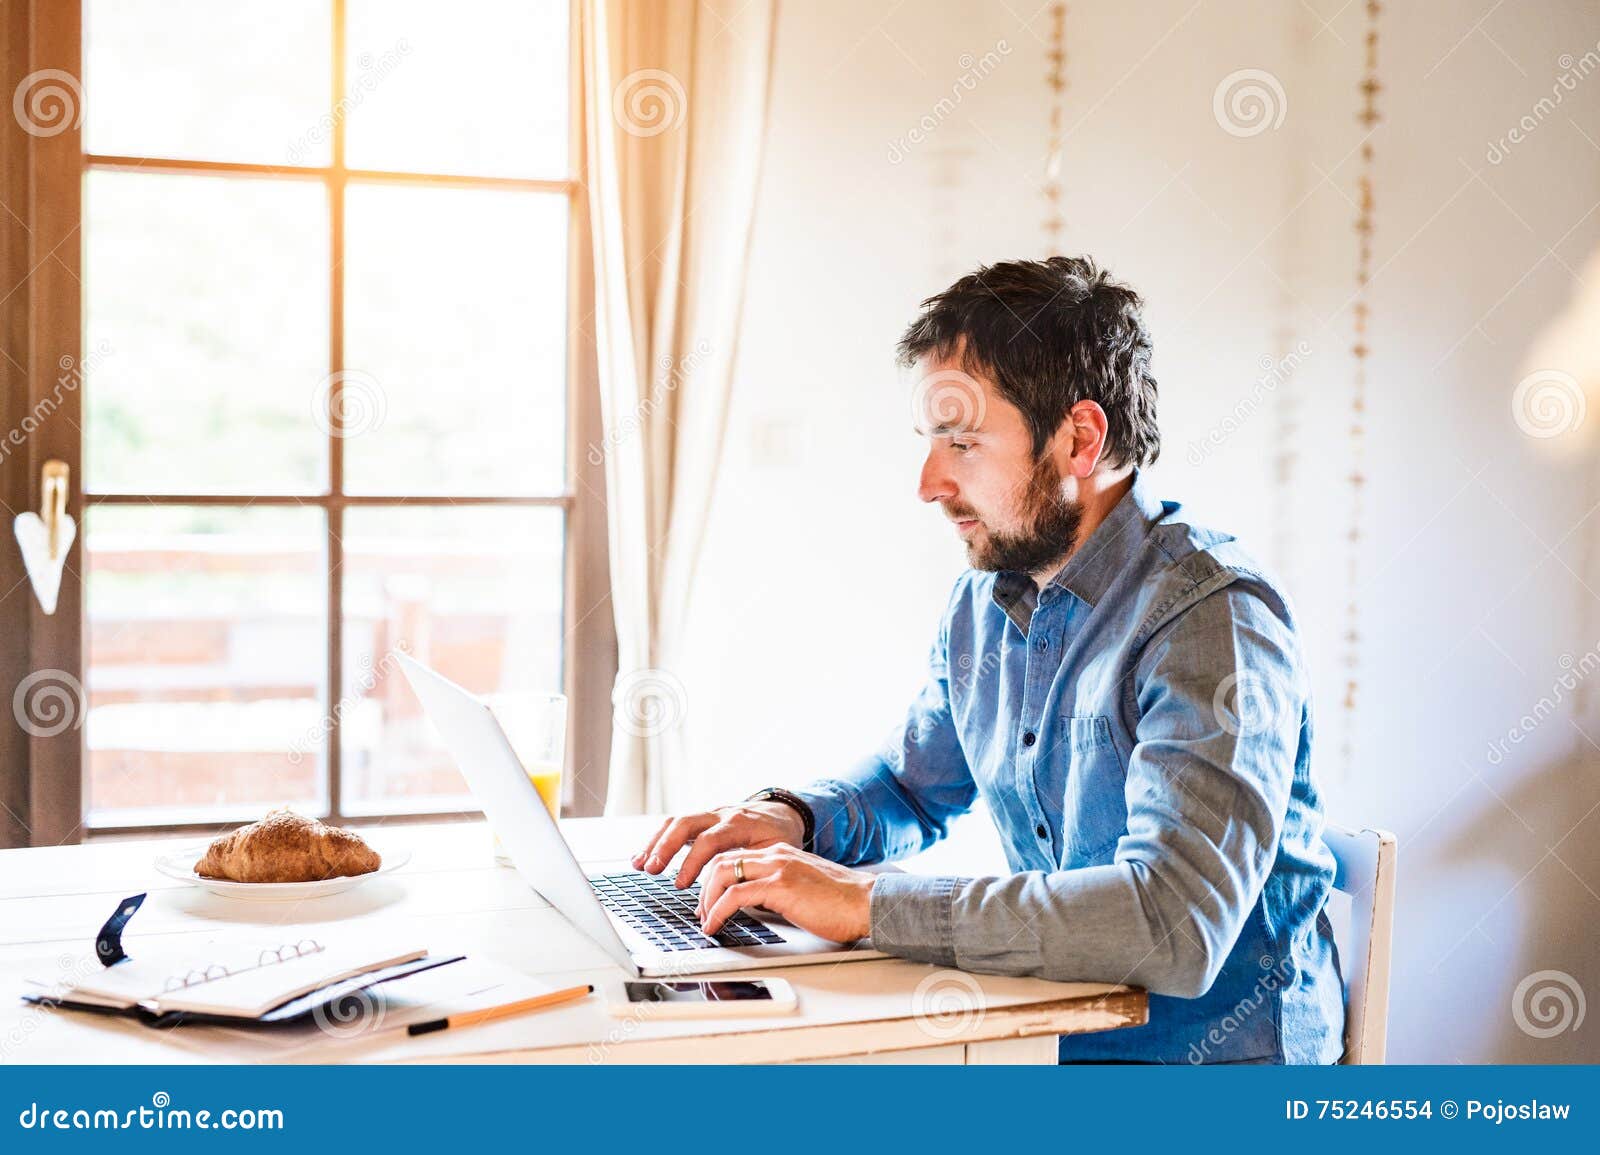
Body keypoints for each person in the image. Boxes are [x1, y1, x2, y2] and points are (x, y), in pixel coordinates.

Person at [632, 256, 1346, 1064]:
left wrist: (867, 902)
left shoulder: (1211, 617)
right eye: (932, 443)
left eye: (963, 443)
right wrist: (791, 819)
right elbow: (913, 786)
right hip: (1047, 1039)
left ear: (1081, 438)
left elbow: (1172, 924)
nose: (930, 483)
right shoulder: (987, 601)